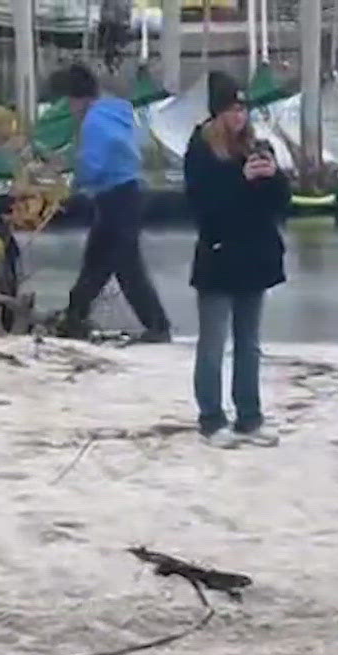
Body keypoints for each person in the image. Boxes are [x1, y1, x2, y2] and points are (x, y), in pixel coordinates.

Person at [184, 71, 290, 448]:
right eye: (231, 109)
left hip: (255, 258)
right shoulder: (200, 151)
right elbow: (204, 207)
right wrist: (239, 180)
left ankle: (250, 417)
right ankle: (211, 418)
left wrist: (274, 176)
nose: (239, 117)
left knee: (250, 343)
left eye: (243, 109)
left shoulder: (258, 146)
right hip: (218, 257)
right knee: (212, 344)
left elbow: (279, 205)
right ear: (217, 113)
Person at [54, 64, 172, 343]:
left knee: (126, 265)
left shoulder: (94, 121)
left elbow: (92, 165)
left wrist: (71, 183)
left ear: (76, 99)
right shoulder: (116, 113)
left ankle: (157, 326)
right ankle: (74, 316)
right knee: (96, 261)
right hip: (125, 192)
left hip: (115, 196)